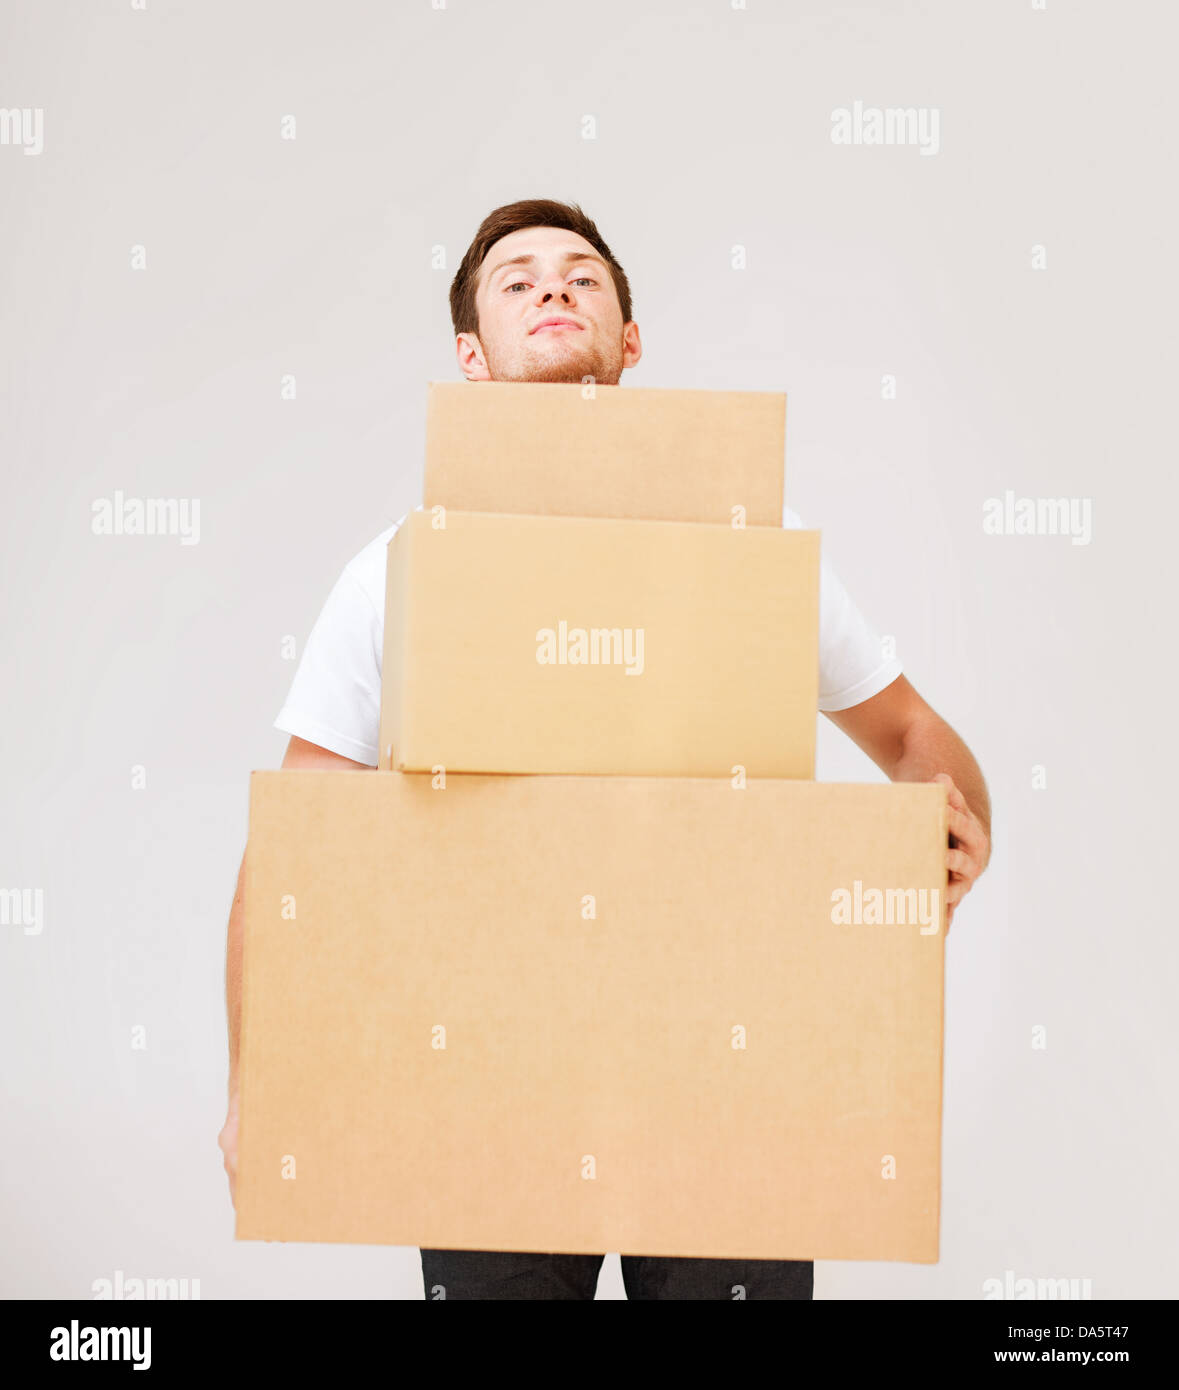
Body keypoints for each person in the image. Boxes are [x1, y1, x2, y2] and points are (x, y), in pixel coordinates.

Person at [218, 198, 992, 1300]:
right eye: (518, 279)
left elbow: (918, 736)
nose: (553, 290)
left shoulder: (750, 557)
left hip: (730, 1073)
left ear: (631, 341)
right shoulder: (401, 569)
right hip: (492, 1081)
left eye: (584, 278)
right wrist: (257, 1081)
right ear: (470, 357)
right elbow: (296, 849)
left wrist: (956, 823)